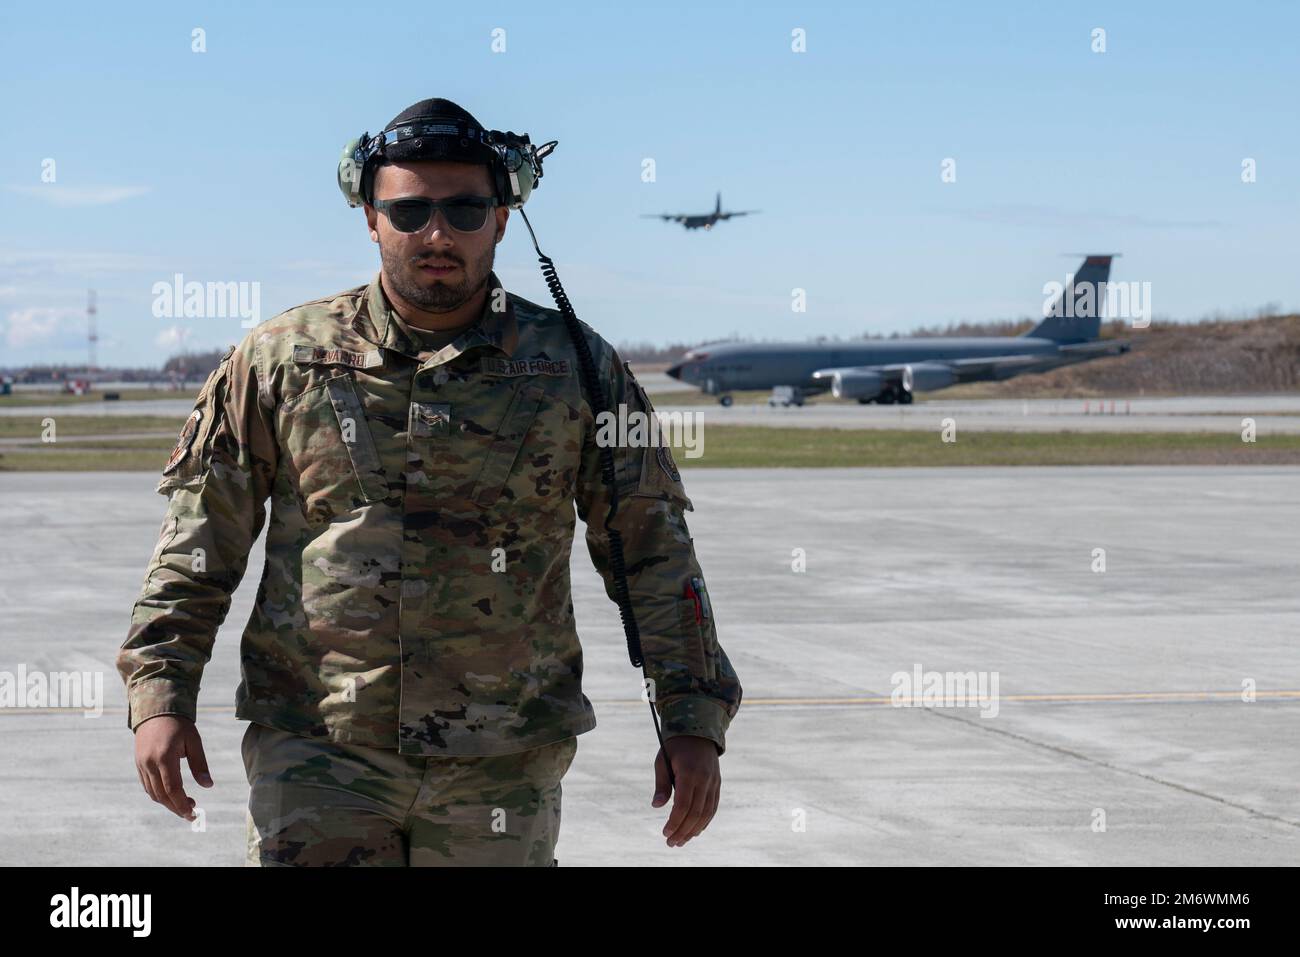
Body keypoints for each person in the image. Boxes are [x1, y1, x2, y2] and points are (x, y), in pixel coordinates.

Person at [117, 97, 742, 866]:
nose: (437, 233)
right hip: (321, 754)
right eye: (409, 210)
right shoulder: (283, 360)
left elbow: (652, 553)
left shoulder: (576, 367)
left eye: (465, 208)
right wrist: (160, 692)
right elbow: (199, 541)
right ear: (371, 219)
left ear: (504, 217)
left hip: (503, 762)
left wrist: (690, 714)